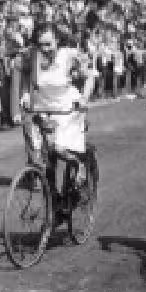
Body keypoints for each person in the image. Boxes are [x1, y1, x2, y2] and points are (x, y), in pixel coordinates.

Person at [17, 23, 98, 202]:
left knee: (59, 149)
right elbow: (25, 74)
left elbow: (89, 76)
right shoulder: (32, 55)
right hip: (43, 108)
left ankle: (79, 164)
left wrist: (84, 98)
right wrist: (25, 94)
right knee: (46, 156)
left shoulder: (69, 56)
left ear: (57, 41)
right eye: (41, 44)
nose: (44, 49)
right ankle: (53, 200)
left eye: (48, 44)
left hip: (67, 108)